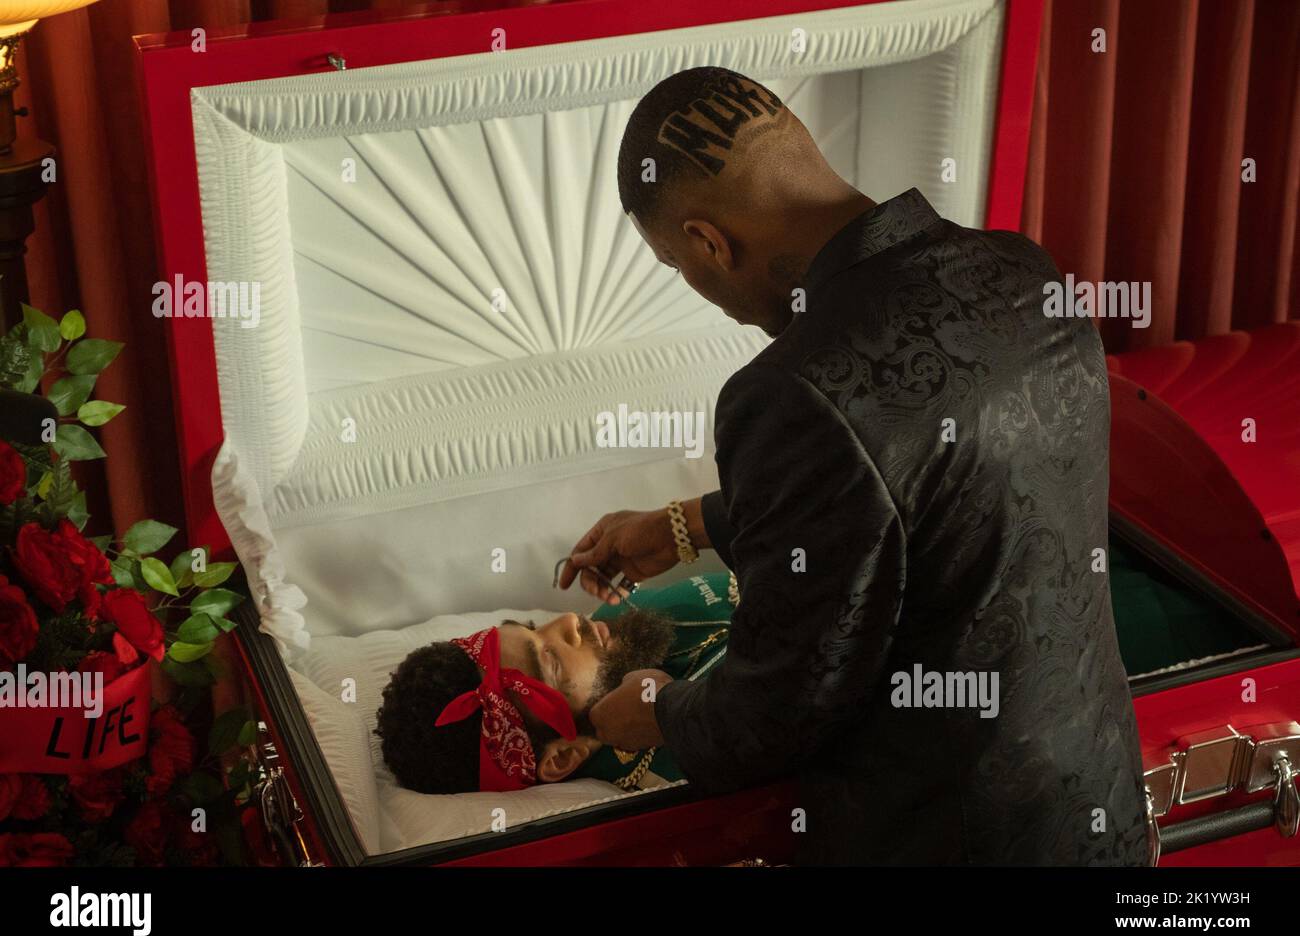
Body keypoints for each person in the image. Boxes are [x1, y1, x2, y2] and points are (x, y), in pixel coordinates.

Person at [558, 66, 1149, 865]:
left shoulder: (789, 391)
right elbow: (931, 491)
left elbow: (779, 710)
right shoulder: (1024, 271)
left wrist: (660, 710)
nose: (695, 283)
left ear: (707, 241)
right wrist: (686, 524)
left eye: (675, 264)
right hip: (1102, 802)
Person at [374, 573, 737, 794]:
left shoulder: (619, 621)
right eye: (550, 660)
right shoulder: (687, 770)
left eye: (532, 628)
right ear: (563, 756)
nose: (568, 620)